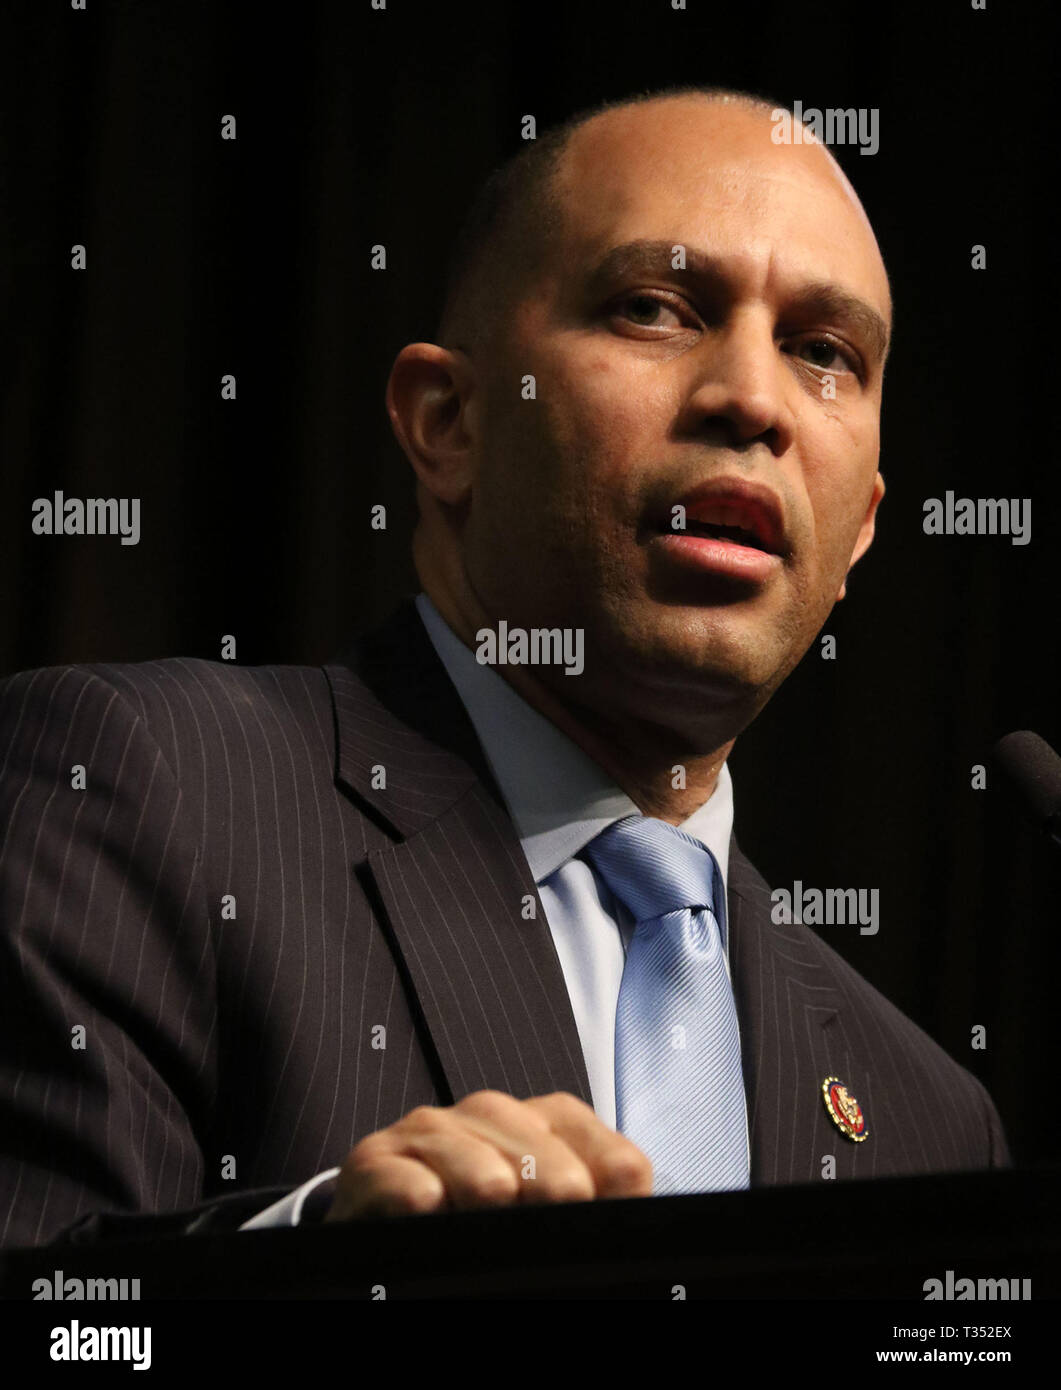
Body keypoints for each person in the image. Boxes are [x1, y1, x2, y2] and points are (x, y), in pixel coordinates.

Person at [0, 86, 1010, 1250]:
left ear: (862, 530)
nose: (752, 399)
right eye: (653, 307)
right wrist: (307, 1267)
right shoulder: (139, 789)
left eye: (823, 352)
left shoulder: (931, 1115)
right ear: (446, 420)